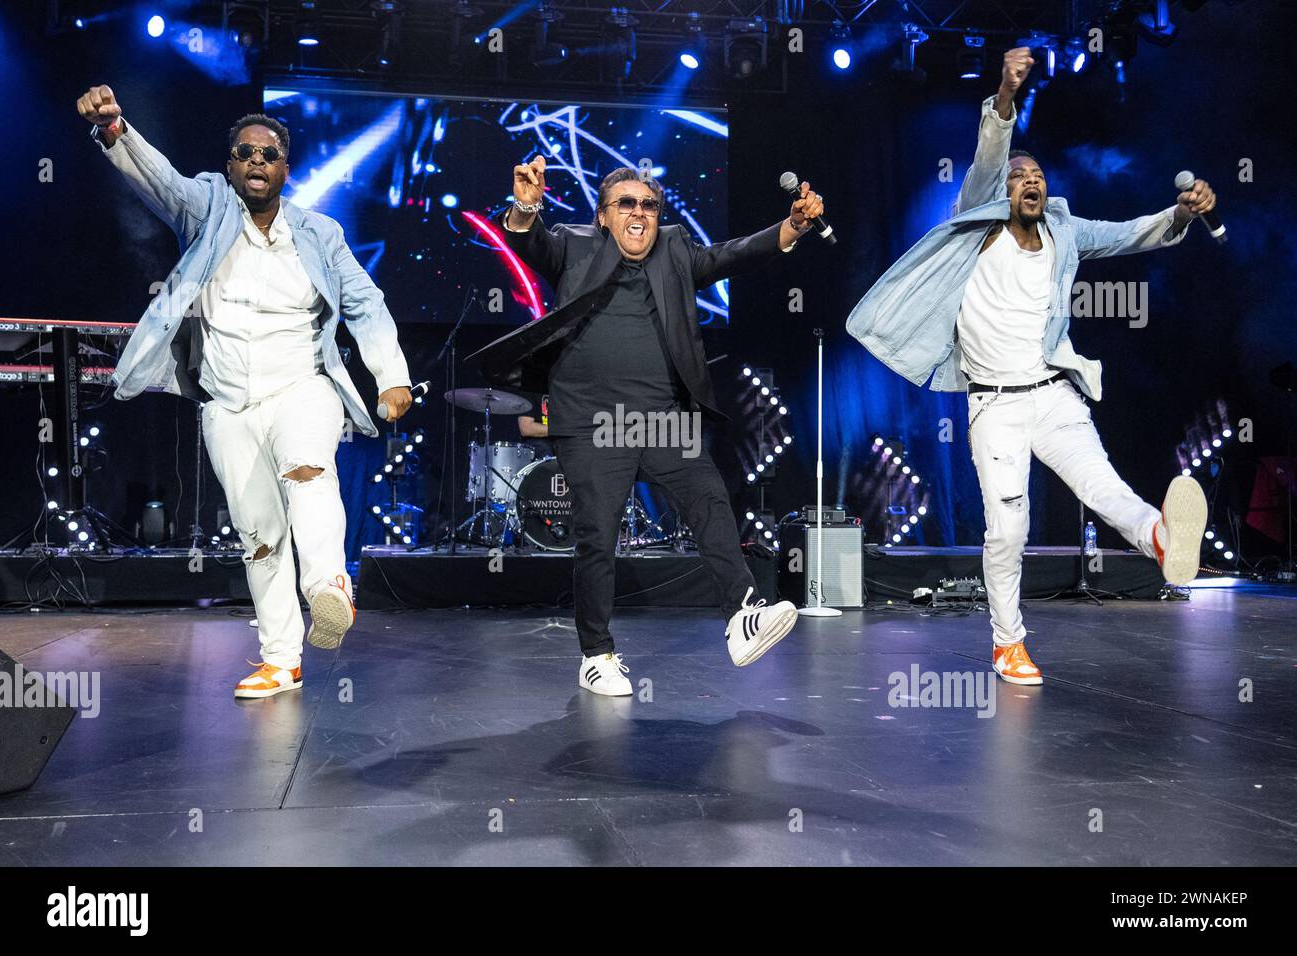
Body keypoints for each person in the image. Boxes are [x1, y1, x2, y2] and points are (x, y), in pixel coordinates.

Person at [845, 48, 1213, 685]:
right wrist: (1006, 96)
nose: (1029, 181)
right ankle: (1007, 642)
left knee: (1104, 487)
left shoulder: (1065, 232)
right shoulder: (977, 225)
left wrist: (1180, 213)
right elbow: (991, 157)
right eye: (1019, 178)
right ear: (1002, 193)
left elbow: (1128, 234)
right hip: (996, 406)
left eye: (1036, 175)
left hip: (1052, 396)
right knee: (1007, 529)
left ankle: (1160, 539)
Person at [78, 85, 413, 699]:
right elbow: (163, 182)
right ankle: (281, 661)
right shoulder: (206, 209)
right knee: (258, 532)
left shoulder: (320, 234)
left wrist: (390, 374)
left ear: (286, 167)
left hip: (302, 386)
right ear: (229, 164)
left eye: (270, 153)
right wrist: (115, 130)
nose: (257, 161)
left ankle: (329, 586)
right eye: (245, 152)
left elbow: (366, 303)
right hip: (227, 402)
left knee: (308, 470)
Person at [470, 157, 823, 695]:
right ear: (605, 216)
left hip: (662, 419)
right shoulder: (574, 244)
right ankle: (597, 654)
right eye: (627, 204)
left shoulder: (676, 249)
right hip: (591, 420)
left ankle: (743, 614)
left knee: (707, 495)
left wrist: (793, 226)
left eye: (649, 205)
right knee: (597, 536)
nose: (640, 213)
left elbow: (735, 254)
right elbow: (528, 242)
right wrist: (525, 206)